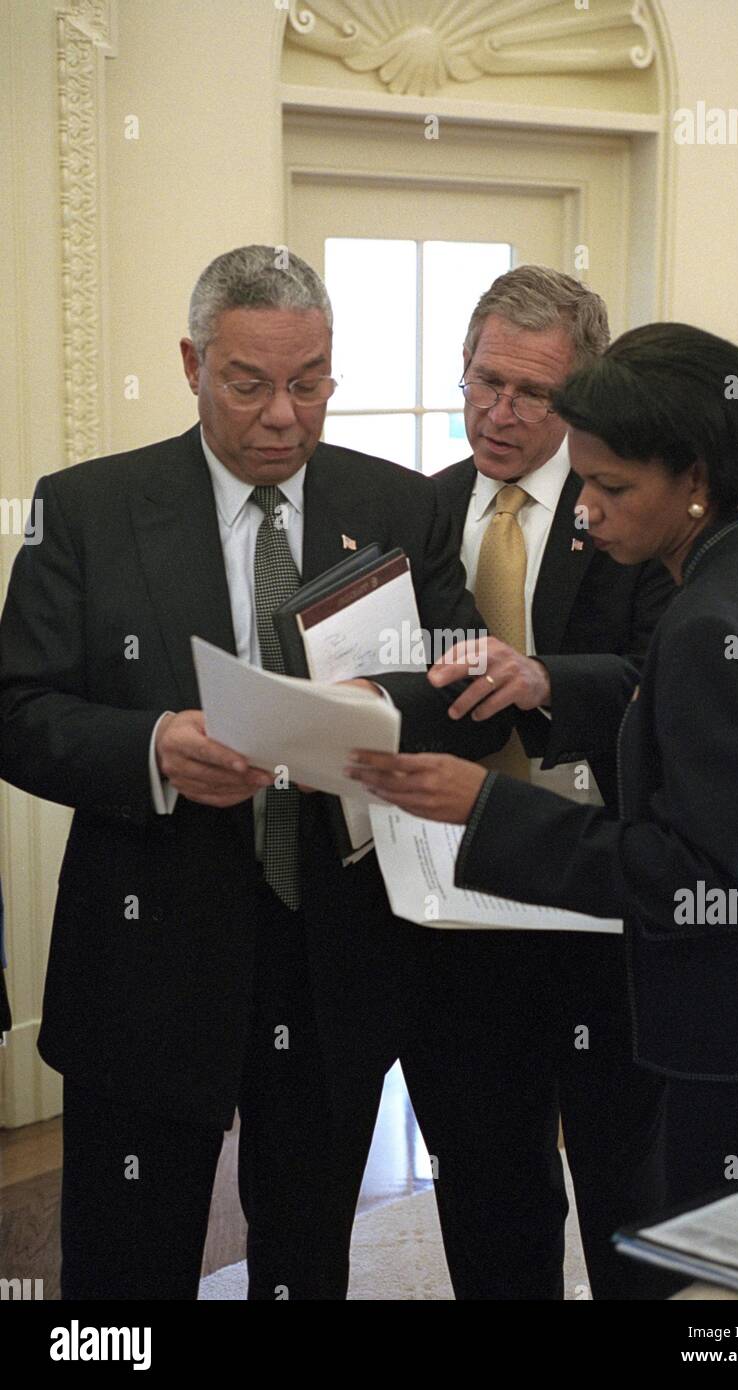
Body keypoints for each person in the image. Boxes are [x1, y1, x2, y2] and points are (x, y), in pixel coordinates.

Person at [0, 245, 512, 1300]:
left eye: (310, 381)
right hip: (149, 947)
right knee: (124, 1264)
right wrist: (149, 750)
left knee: (304, 1254)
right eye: (249, 383)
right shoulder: (88, 511)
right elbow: (18, 708)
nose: (283, 414)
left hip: (331, 952)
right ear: (192, 364)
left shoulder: (401, 509)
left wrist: (380, 707)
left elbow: (461, 683)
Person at [349, 322, 738, 1255]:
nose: (584, 510)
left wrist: (483, 806)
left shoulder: (712, 624)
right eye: (582, 481)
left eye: (612, 487)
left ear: (696, 479)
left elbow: (696, 875)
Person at [415, 267, 675, 1299]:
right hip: (454, 910)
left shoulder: (631, 510)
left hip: (599, 907)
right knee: (485, 1185)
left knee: (628, 1193)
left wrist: (542, 678)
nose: (498, 410)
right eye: (483, 381)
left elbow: (665, 679)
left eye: (531, 394)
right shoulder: (418, 510)